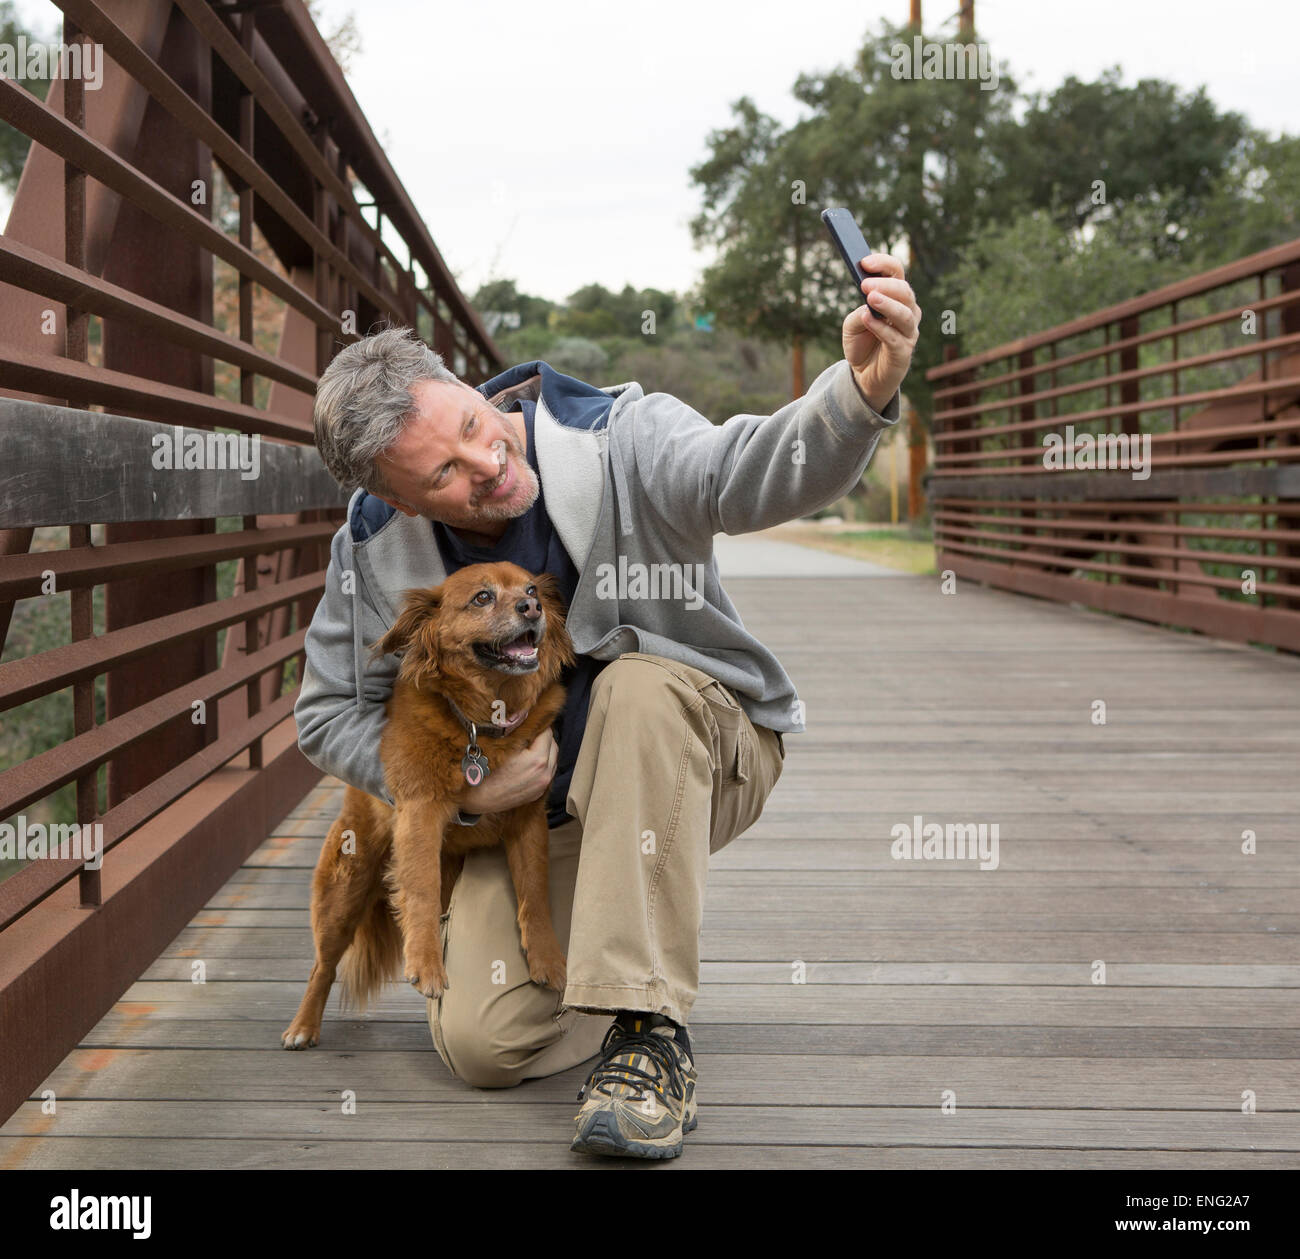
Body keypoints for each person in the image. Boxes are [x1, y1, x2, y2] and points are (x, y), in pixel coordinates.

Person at [295, 254, 920, 1158]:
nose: (487, 462)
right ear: (392, 495)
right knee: (483, 1044)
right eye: (443, 474)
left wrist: (859, 393)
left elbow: (741, 473)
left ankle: (646, 1036)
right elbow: (326, 714)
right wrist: (465, 791)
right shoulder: (371, 543)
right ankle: (622, 940)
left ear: (472, 388)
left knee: (634, 683)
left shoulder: (618, 433)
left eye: (475, 423)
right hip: (537, 814)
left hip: (705, 750)